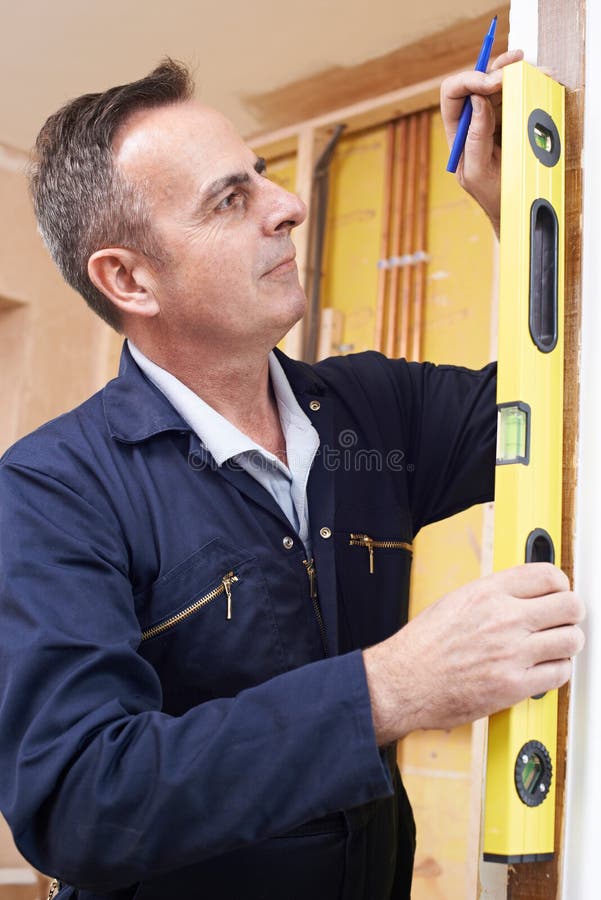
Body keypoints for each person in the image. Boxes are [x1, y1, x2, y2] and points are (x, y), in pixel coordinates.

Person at [0, 51, 584, 900]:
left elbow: (569, 410)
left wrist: (523, 215)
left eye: (262, 177)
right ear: (128, 277)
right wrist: (391, 687)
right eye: (230, 200)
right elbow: (82, 800)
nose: (290, 207)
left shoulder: (372, 415)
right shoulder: (55, 489)